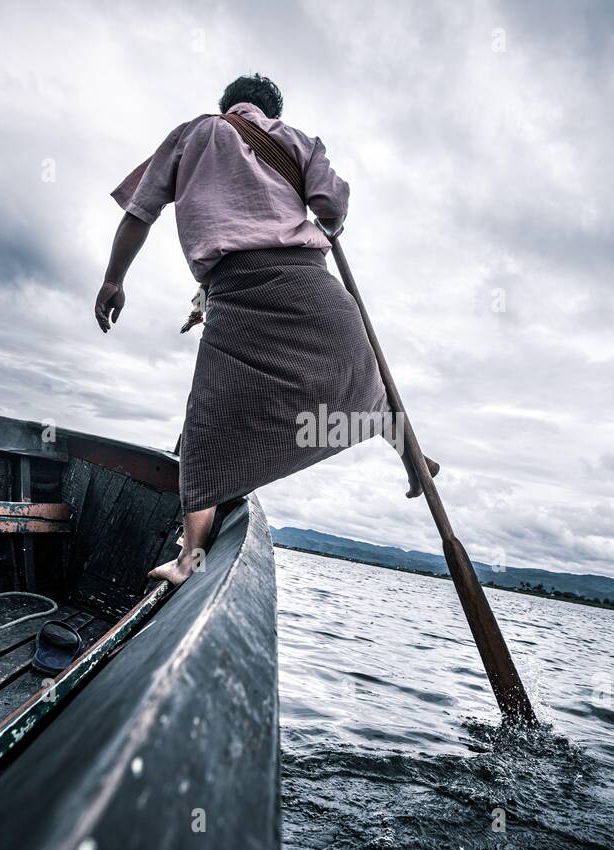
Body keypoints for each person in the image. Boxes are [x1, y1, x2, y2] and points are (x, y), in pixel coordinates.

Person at [96, 73, 435, 585]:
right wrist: (325, 221)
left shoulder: (195, 133)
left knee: (206, 424)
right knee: (364, 388)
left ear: (226, 105)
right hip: (316, 289)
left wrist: (112, 281)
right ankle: (413, 458)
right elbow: (333, 207)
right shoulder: (299, 141)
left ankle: (191, 558)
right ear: (271, 111)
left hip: (241, 289)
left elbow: (139, 213)